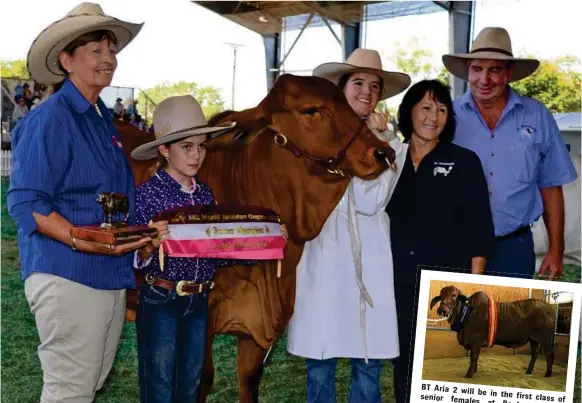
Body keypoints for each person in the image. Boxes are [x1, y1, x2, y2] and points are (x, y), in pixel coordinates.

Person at [7, 3, 145, 402]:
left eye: (111, 50)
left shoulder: (101, 117)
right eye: (96, 51)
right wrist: (76, 238)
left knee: (88, 385)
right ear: (67, 60)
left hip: (107, 271)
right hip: (68, 273)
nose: (109, 60)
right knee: (70, 390)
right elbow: (24, 201)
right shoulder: (50, 118)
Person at [130, 95, 288, 403]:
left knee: (191, 384)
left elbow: (219, 250)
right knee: (159, 385)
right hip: (161, 298)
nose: (196, 155)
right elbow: (134, 258)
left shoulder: (205, 193)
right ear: (165, 149)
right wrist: (148, 246)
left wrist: (266, 238)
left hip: (199, 301)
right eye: (186, 147)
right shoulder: (147, 194)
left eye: (201, 146)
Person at [286, 48, 411, 403]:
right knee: (320, 359)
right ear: (340, 89)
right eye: (358, 82)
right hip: (324, 250)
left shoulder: (390, 146)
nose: (367, 92)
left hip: (368, 252)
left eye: (374, 86)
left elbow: (371, 203)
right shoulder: (312, 139)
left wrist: (381, 145)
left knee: (368, 358)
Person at [386, 79, 495, 403]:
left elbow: (479, 225)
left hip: (445, 281)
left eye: (442, 109)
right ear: (409, 112)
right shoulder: (390, 158)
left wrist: (474, 284)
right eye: (426, 107)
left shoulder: (464, 161)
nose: (434, 116)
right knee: (403, 359)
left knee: (439, 366)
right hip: (396, 279)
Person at [443, 27, 577, 281]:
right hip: (456, 245)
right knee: (453, 319)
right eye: (476, 69)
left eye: (494, 69)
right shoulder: (445, 116)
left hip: (513, 250)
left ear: (509, 73)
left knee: (511, 319)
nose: (484, 79)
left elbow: (550, 186)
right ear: (467, 71)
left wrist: (556, 250)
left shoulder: (536, 115)